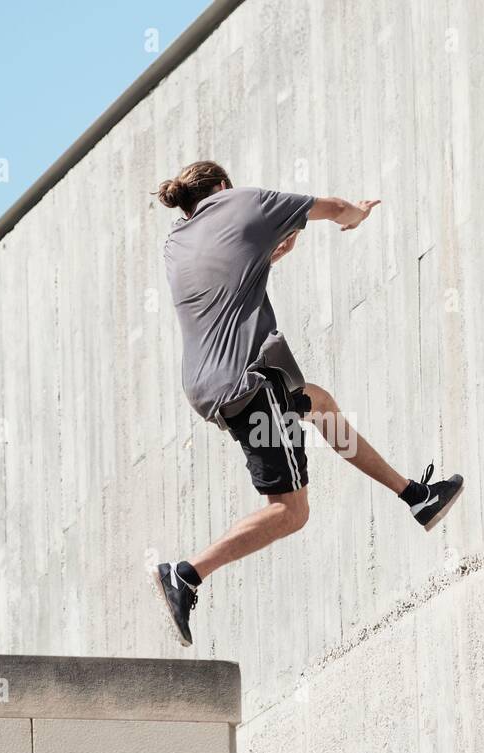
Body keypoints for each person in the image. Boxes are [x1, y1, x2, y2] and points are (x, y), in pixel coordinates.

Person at [152, 160, 464, 646]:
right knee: (291, 511)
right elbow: (335, 209)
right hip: (246, 382)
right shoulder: (245, 202)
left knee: (314, 402)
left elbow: (223, 277)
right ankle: (187, 574)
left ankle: (416, 498)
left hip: (209, 386)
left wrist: (267, 256)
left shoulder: (176, 242)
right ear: (222, 187)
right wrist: (355, 215)